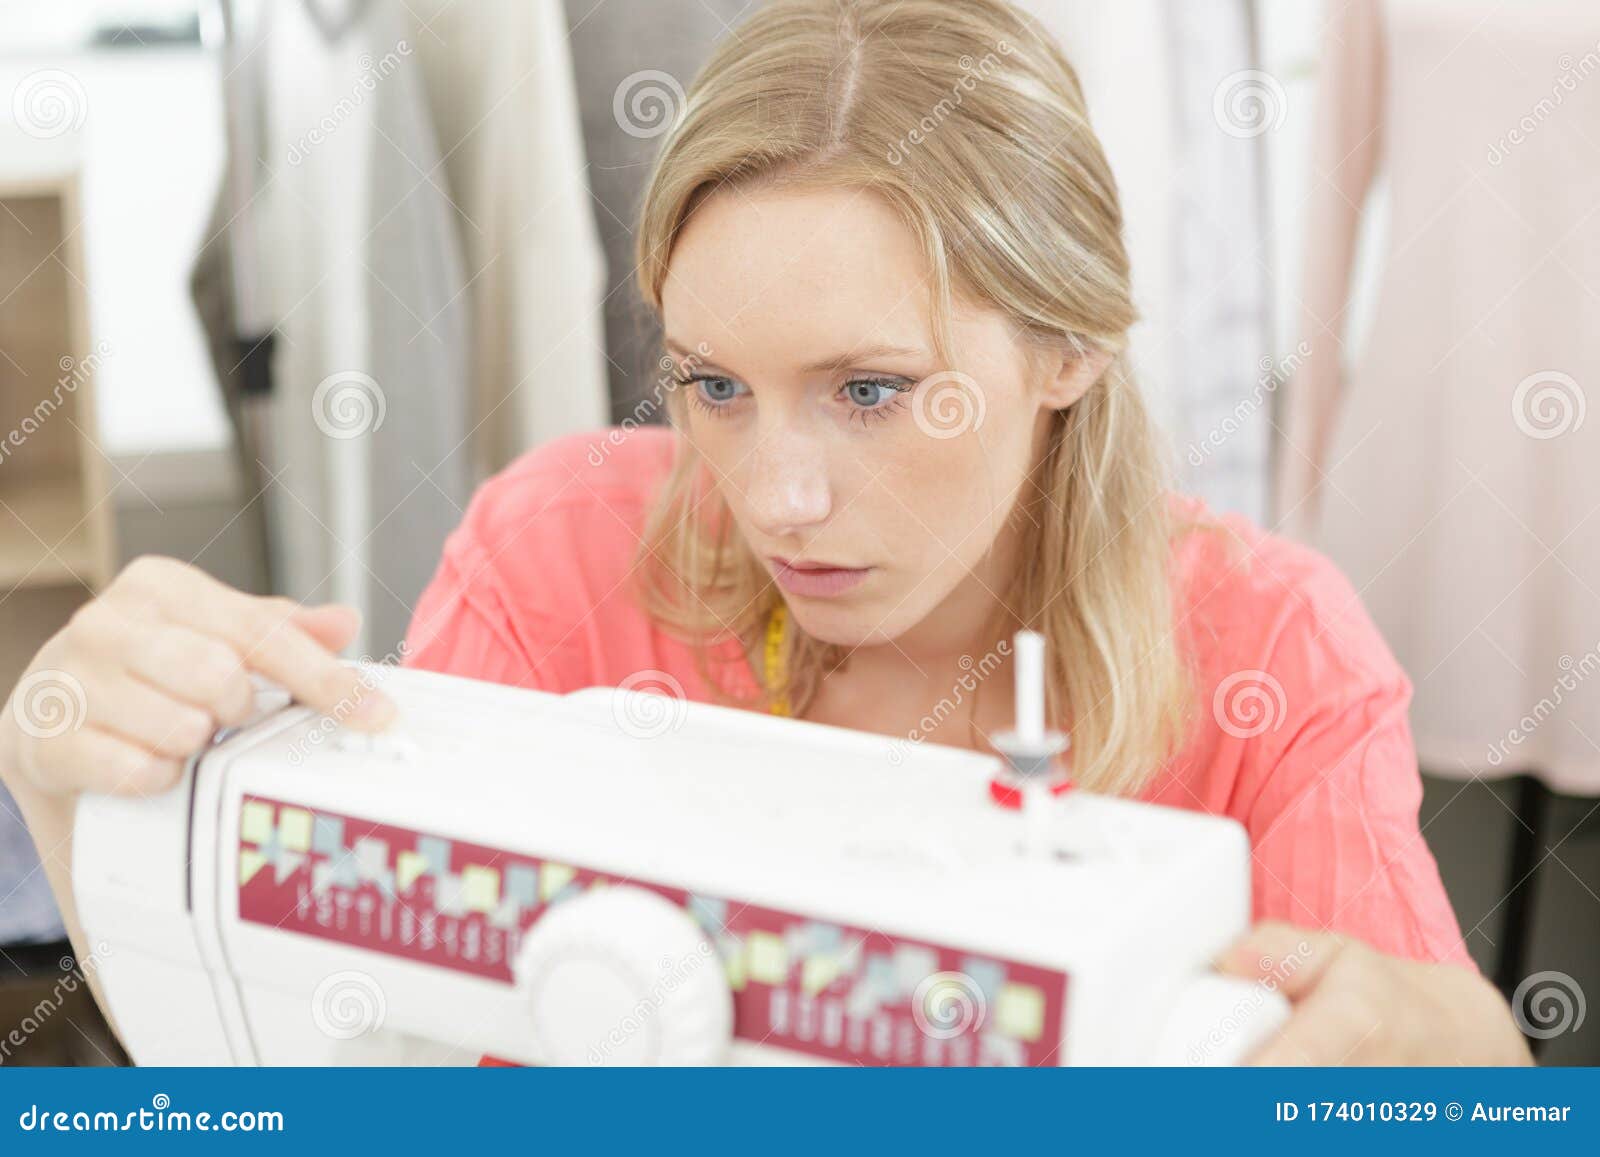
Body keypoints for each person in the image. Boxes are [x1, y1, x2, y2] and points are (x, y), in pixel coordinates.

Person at [0, 0, 1528, 1065]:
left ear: (1070, 348)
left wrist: (1450, 1058)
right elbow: (336, 1068)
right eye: (714, 386)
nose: (775, 496)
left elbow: (1427, 1069)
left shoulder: (1266, 649)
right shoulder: (559, 557)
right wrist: (81, 798)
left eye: (870, 390)